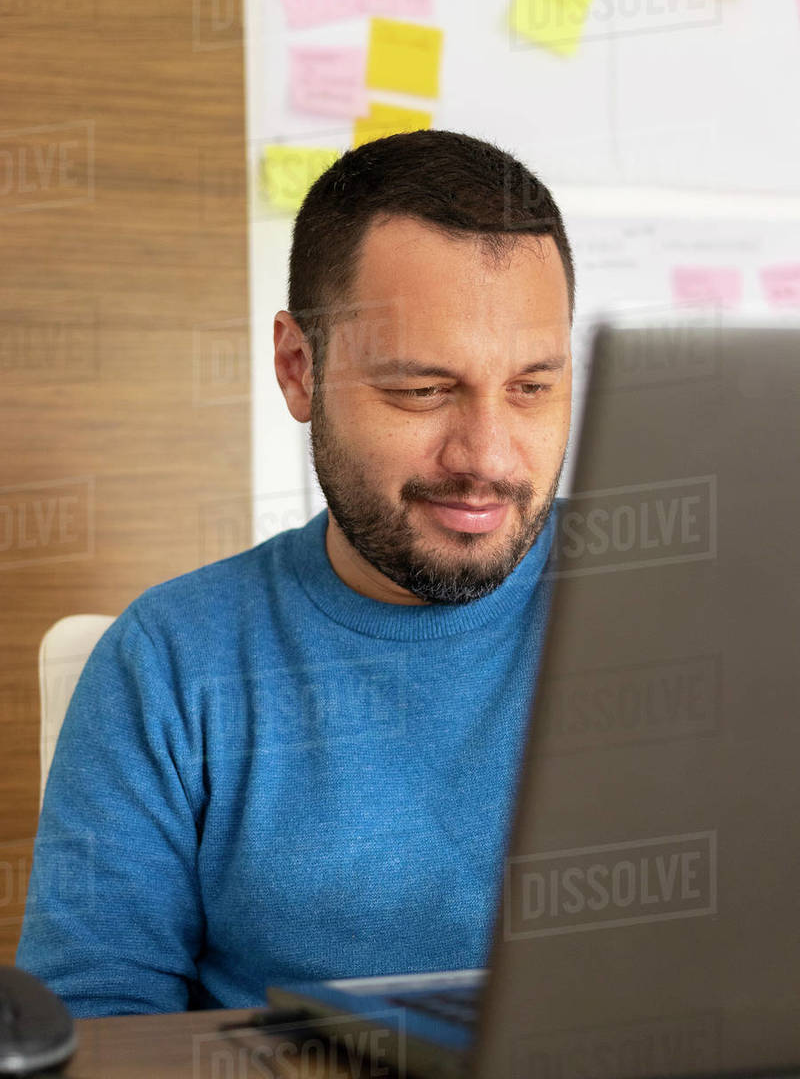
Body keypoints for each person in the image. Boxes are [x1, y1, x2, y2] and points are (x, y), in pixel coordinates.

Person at [16, 129, 574, 1016]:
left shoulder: (702, 610)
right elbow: (93, 1023)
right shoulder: (169, 662)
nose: (488, 457)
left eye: (532, 387)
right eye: (422, 390)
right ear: (298, 367)